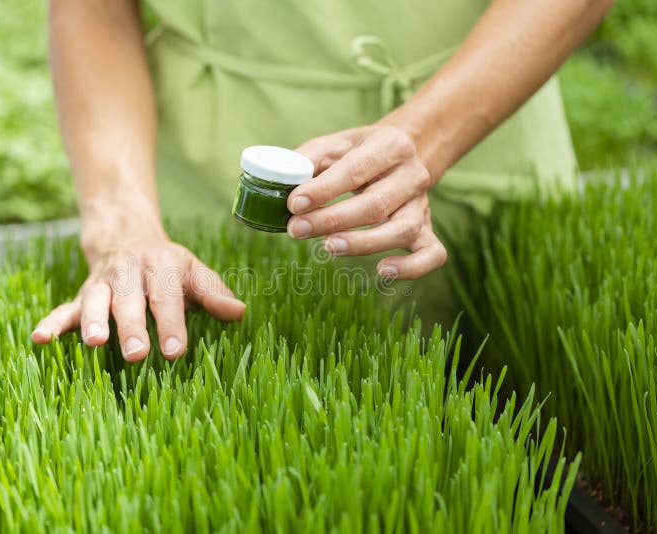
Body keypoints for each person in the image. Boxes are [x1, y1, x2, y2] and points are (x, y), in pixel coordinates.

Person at [32, 0, 613, 360]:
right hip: (199, 183)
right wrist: (123, 224)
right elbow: (94, 7)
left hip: (476, 125)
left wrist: (426, 139)